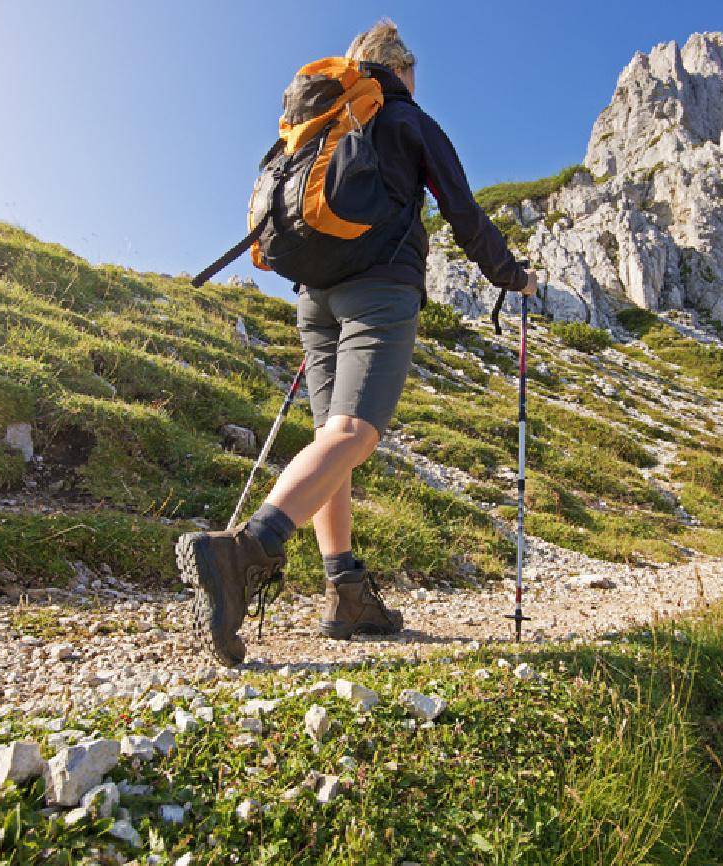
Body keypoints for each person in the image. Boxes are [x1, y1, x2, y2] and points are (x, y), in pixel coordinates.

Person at [177, 18, 538, 666]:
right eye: (413, 74)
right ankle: (245, 550)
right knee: (356, 433)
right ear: (400, 70)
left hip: (313, 297)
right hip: (379, 290)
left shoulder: (323, 124)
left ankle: (345, 592)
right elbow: (462, 211)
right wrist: (512, 276)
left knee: (331, 442)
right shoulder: (406, 119)